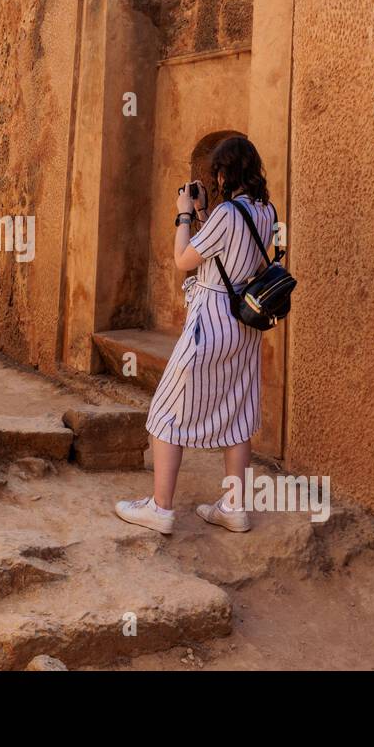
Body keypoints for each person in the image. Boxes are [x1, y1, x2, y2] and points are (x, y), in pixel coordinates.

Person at [114, 135, 277, 536]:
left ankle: (160, 508)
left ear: (225, 172)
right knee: (237, 417)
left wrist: (184, 216)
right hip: (244, 325)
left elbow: (183, 260)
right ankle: (235, 508)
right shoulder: (266, 211)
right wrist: (206, 213)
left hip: (210, 321)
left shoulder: (227, 214)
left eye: (218, 172)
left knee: (166, 412)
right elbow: (230, 254)